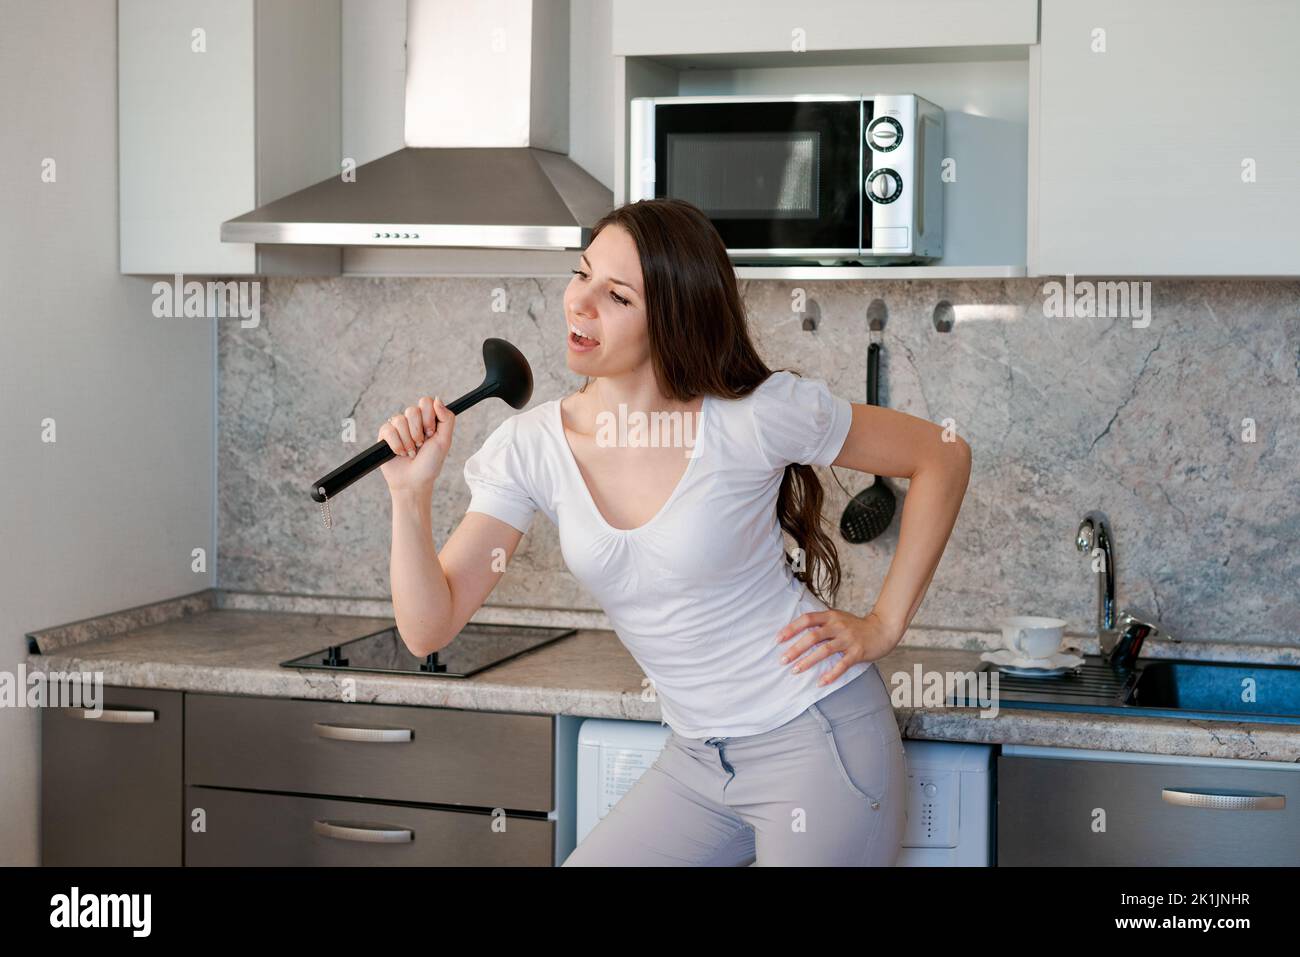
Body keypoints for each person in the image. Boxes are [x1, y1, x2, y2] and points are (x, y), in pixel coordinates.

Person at [376, 198, 971, 866]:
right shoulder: (532, 446)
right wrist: (410, 495)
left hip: (814, 737)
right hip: (697, 759)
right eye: (582, 274)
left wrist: (884, 624)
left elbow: (941, 455)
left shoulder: (754, 415)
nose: (580, 303)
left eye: (617, 295)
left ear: (673, 316)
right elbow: (430, 627)